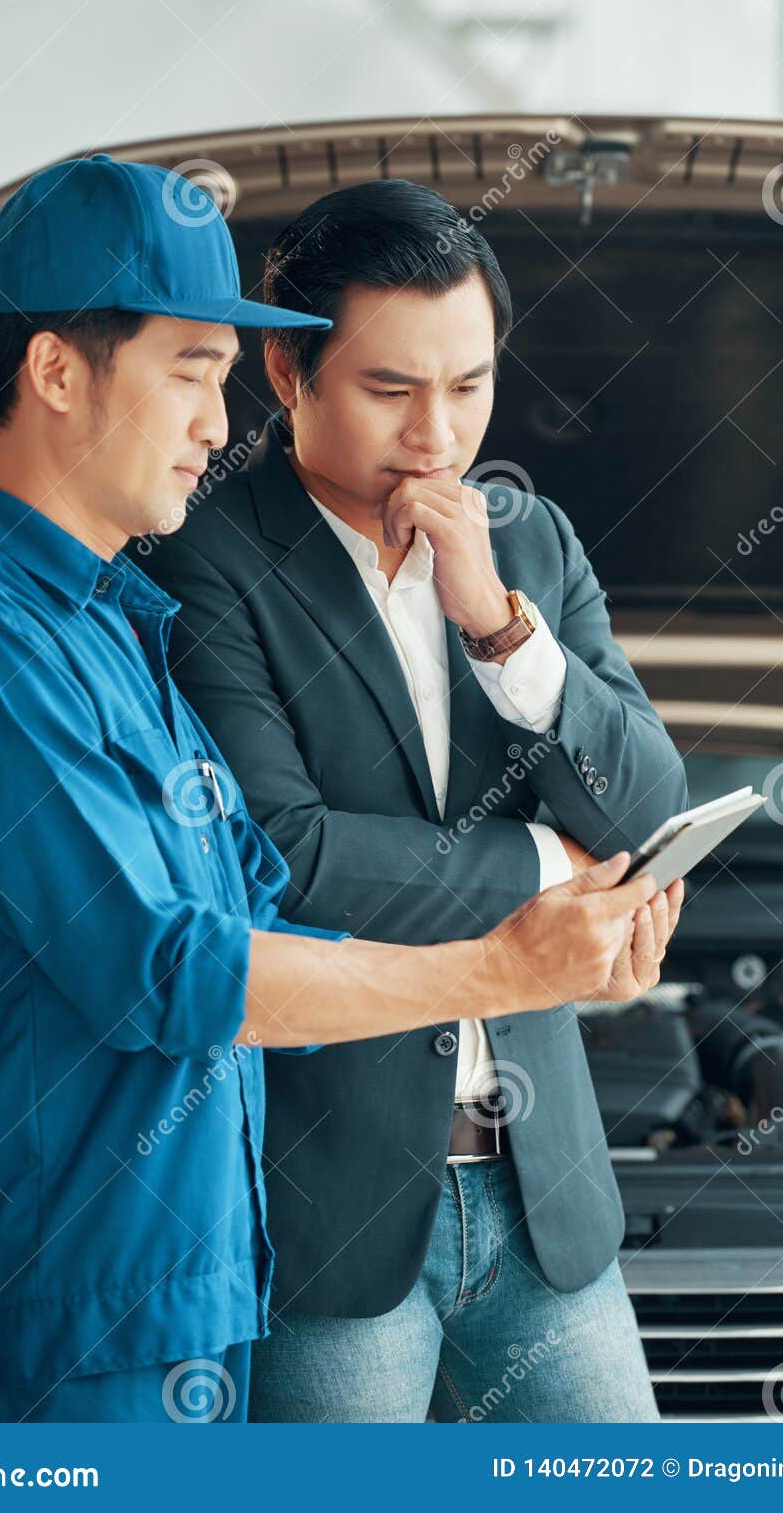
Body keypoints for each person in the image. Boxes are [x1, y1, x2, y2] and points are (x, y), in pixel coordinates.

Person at [0, 156, 666, 1425]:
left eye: (220, 380)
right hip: (60, 1313)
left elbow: (260, 895)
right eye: (189, 373)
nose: (220, 427)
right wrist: (515, 950)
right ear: (59, 372)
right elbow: (181, 965)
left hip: (189, 1281)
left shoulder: (113, 618)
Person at [138, 178, 688, 1423]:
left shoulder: (528, 544)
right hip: (332, 1206)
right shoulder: (201, 555)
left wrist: (498, 622)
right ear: (289, 371)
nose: (438, 433)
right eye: (391, 389)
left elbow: (650, 797)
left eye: (469, 384)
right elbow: (285, 855)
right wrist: (552, 871)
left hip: (544, 1195)